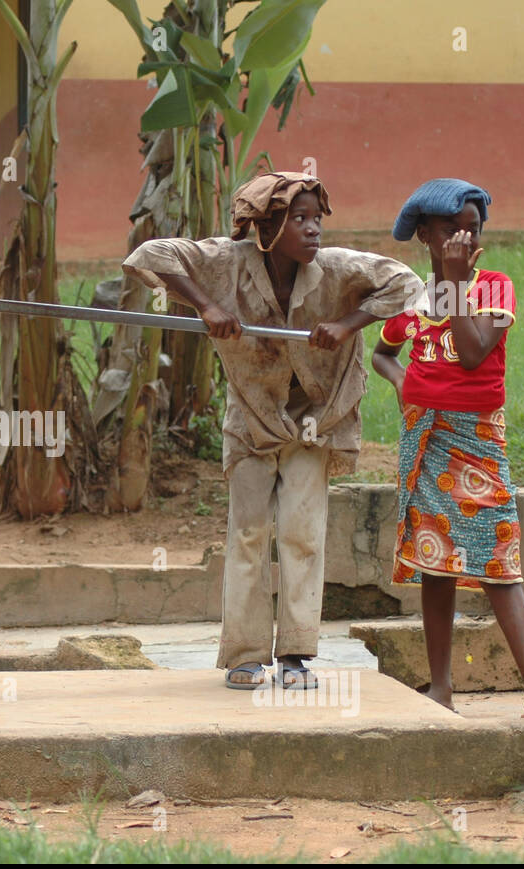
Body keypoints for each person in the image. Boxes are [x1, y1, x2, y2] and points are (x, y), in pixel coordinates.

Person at [123, 172, 425, 691]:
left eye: (316, 219)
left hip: (317, 418)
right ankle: (244, 654)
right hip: (254, 417)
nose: (313, 231)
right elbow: (152, 255)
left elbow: (407, 284)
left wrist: (349, 324)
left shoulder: (333, 268)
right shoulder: (227, 261)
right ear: (266, 228)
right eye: (298, 219)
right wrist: (207, 305)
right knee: (247, 534)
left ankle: (295, 655)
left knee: (302, 535)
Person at [372, 178, 524, 717]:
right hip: (426, 439)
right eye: (452, 229)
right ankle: (442, 688)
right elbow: (382, 353)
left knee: (499, 555)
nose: (464, 238)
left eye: (472, 230)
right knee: (437, 562)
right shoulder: (414, 299)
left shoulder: (495, 286)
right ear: (426, 236)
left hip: (476, 437)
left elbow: (475, 352)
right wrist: (405, 382)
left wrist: (455, 282)